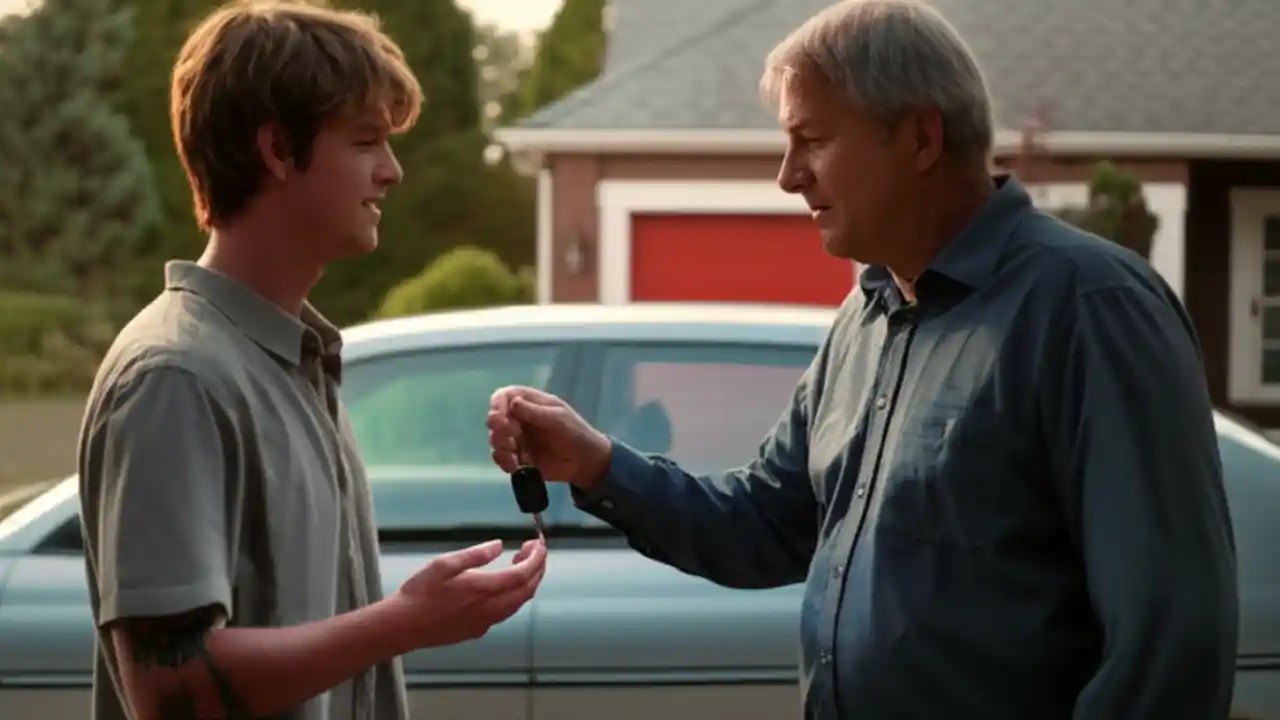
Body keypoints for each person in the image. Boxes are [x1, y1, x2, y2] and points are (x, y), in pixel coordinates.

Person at [487, 0, 1238, 717]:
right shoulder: (868, 317)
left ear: (920, 138)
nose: (788, 175)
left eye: (812, 140)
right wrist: (598, 465)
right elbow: (766, 526)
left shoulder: (1086, 306)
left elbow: (1171, 635)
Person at [76, 2, 547, 719]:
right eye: (366, 142)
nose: (391, 172)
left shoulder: (298, 361)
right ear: (277, 150)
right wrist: (408, 621)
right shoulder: (175, 377)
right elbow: (170, 689)